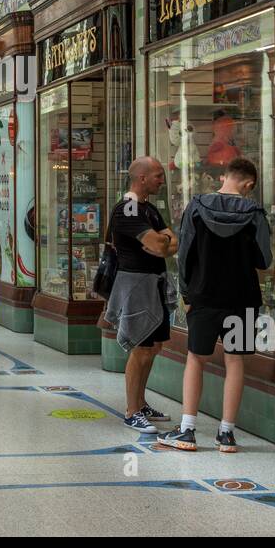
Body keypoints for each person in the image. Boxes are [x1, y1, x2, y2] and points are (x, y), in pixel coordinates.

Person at [159, 156, 271, 454]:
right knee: (235, 360)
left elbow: (183, 254)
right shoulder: (255, 211)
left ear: (224, 177)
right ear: (249, 184)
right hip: (242, 297)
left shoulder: (196, 206)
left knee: (196, 358)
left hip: (204, 296)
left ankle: (187, 430)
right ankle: (226, 434)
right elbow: (265, 259)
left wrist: (186, 294)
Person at [104, 156, 178, 434]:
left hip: (155, 283)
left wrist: (163, 243)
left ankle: (142, 403)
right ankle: (132, 411)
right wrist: (162, 244)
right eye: (158, 175)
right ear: (141, 178)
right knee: (141, 348)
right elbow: (161, 246)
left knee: (153, 348)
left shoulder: (150, 209)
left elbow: (171, 243)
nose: (162, 180)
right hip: (136, 286)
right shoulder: (129, 209)